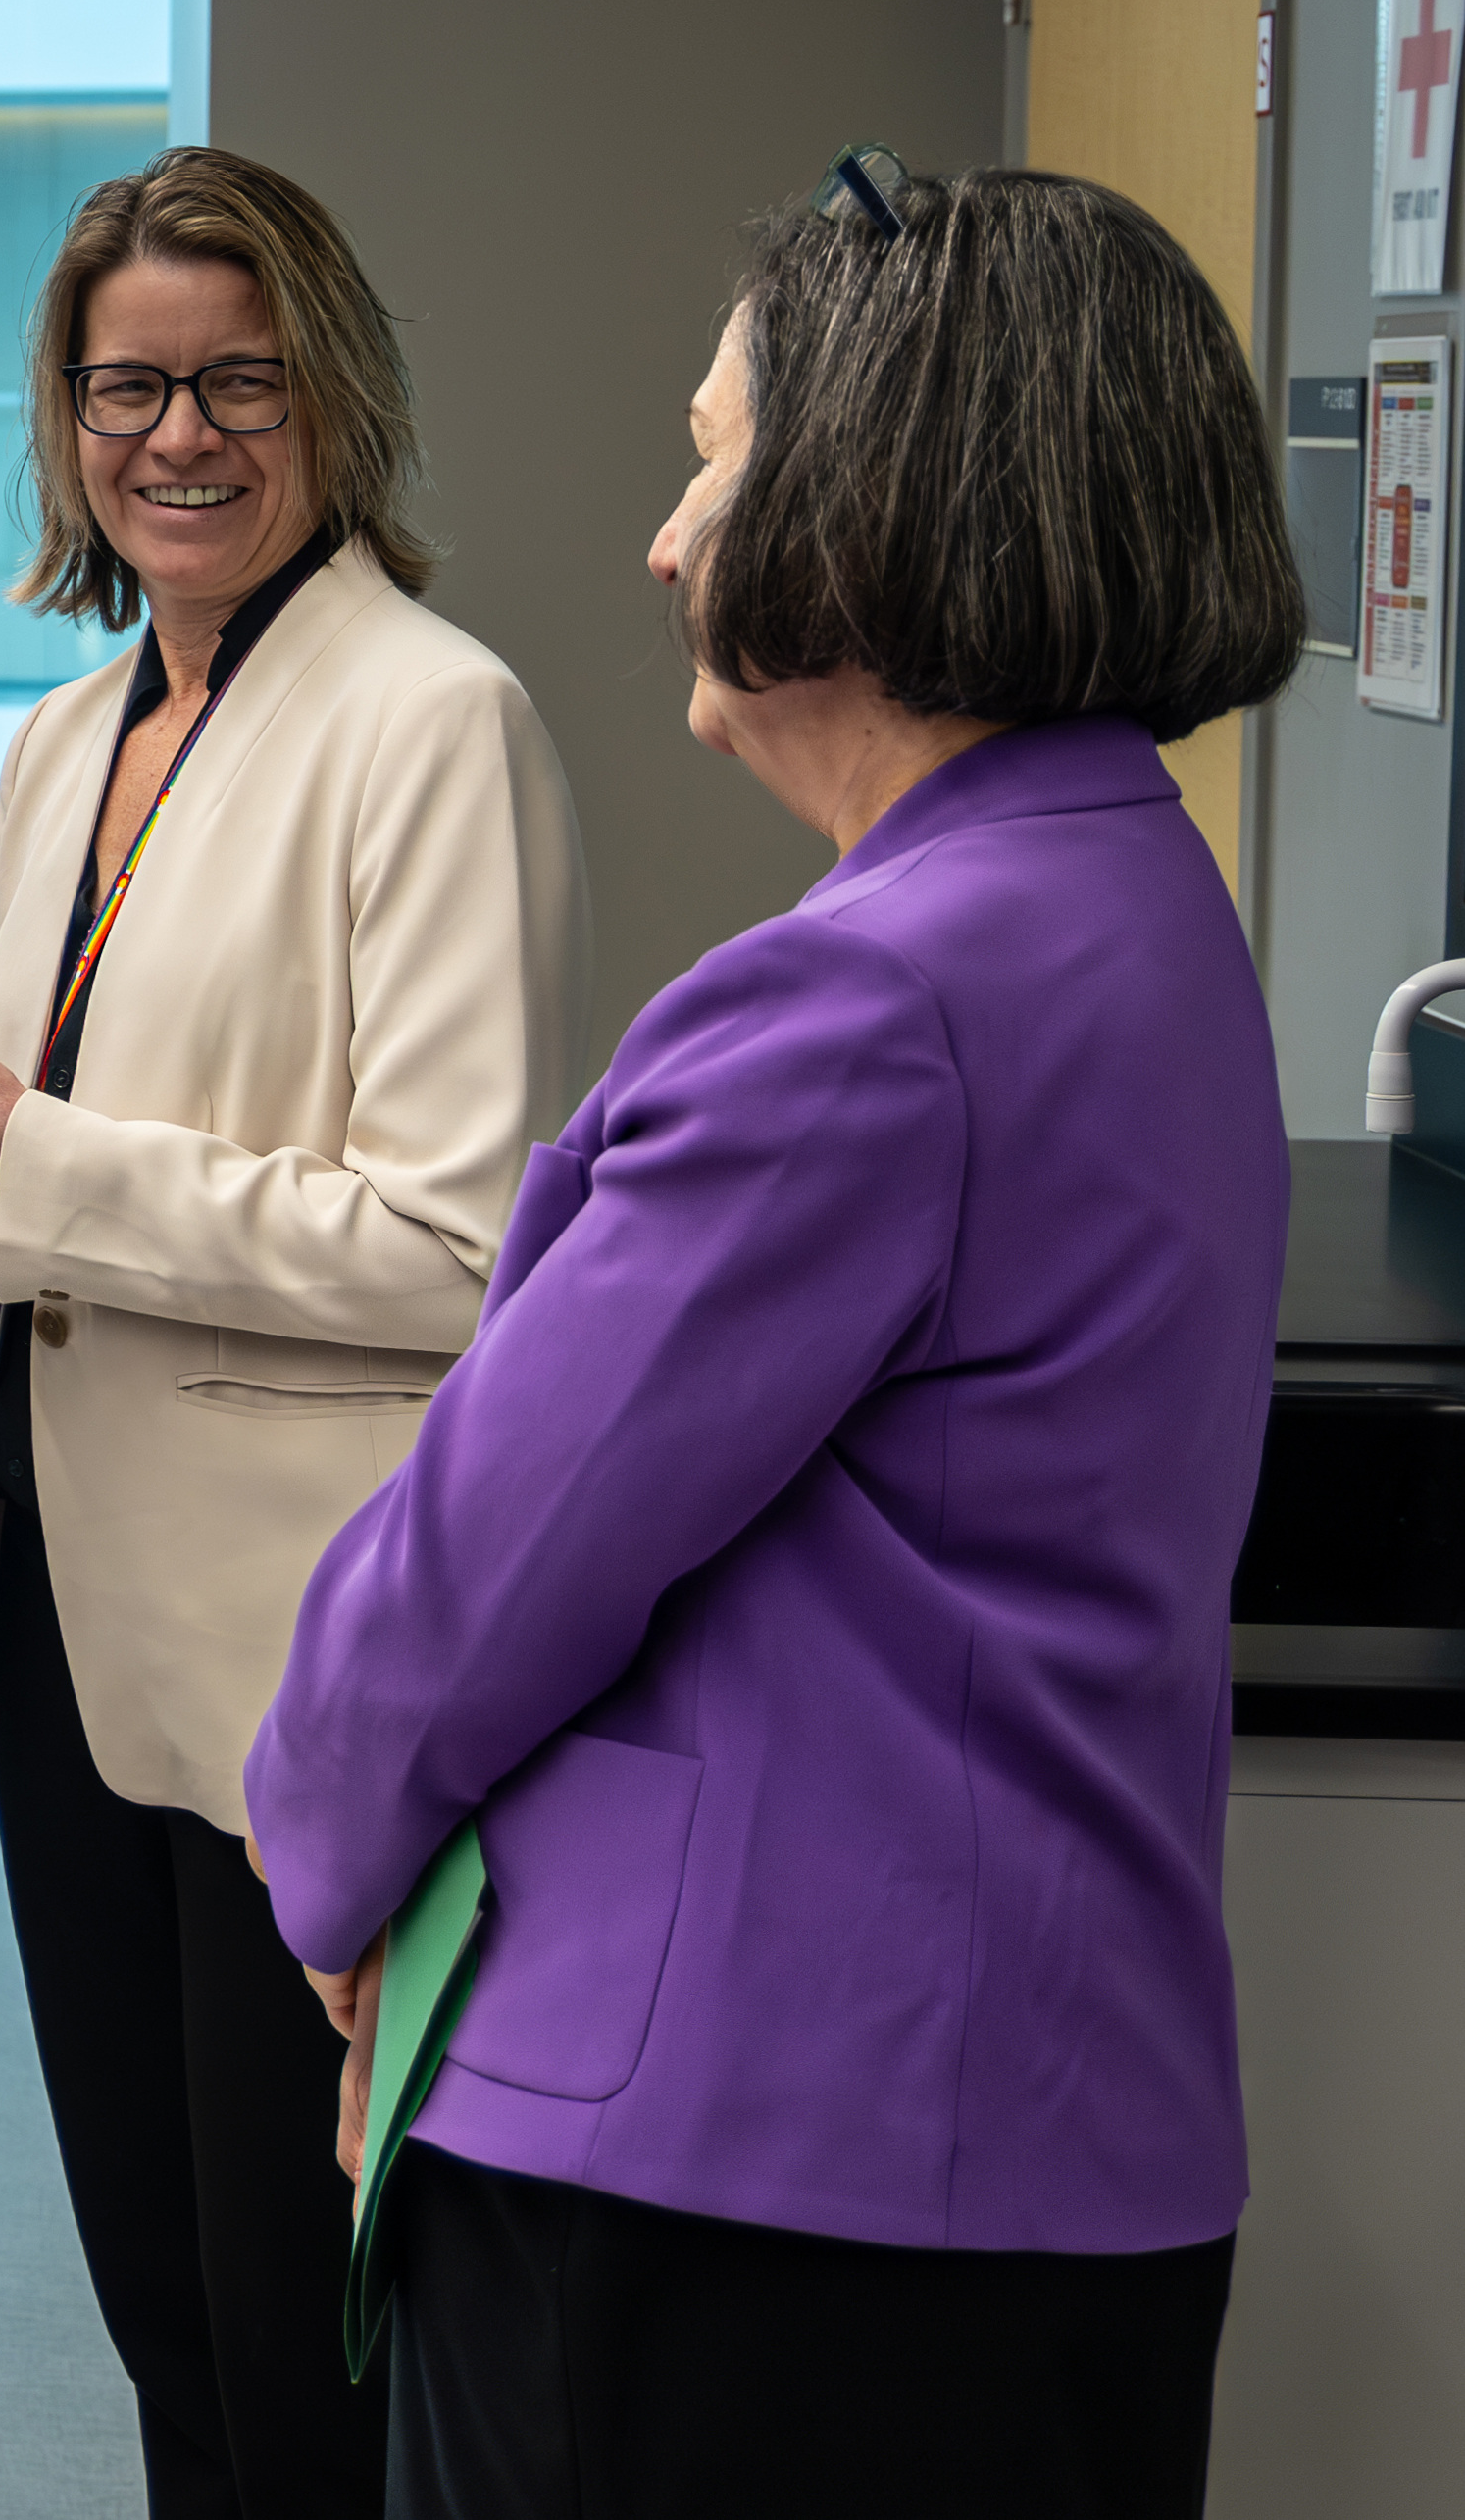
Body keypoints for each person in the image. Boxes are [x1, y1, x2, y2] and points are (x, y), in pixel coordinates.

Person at [242, 160, 1302, 2518]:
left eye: (710, 459)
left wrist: (320, 1865)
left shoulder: (867, 1004)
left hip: (737, 2188)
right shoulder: (1130, 901)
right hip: (1042, 2138)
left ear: (875, 497)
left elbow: (487, 1559)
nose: (661, 539)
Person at [0, 144, 588, 2516]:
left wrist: (21, 1159)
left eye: (236, 380)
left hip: (290, 1675)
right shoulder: (68, 740)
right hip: (59, 1631)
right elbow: (36, 1183)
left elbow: (457, 1249)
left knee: (289, 2356)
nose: (176, 436)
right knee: (156, 2316)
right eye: (121, 387)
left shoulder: (430, 724)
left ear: (330, 394)